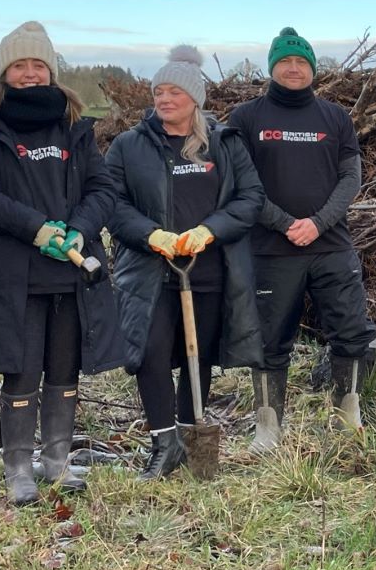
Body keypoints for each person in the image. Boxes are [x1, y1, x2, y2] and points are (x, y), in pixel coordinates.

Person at [0, 22, 125, 504]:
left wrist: (80, 229)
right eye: (20, 66)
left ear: (51, 71)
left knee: (65, 367)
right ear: (4, 73)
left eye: (38, 65)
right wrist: (36, 228)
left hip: (70, 269)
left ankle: (57, 460)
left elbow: (102, 188)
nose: (30, 74)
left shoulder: (75, 126)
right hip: (12, 272)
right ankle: (17, 468)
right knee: (22, 368)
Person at [106, 46, 264, 477]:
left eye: (175, 91)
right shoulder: (129, 146)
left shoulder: (225, 143)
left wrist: (209, 230)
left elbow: (251, 198)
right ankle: (164, 442)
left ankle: (190, 432)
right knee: (151, 353)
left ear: (195, 98)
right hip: (150, 271)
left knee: (199, 356)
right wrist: (149, 235)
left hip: (209, 270)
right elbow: (110, 201)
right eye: (159, 91)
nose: (164, 99)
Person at [228, 27, 376, 447]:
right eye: (285, 62)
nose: (293, 69)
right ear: (272, 67)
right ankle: (268, 425)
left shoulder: (335, 118)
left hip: (330, 245)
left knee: (351, 330)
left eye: (301, 62)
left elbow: (351, 177)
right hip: (272, 249)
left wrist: (318, 222)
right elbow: (242, 182)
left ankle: (347, 415)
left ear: (312, 68)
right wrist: (283, 223)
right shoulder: (247, 118)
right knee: (271, 339)